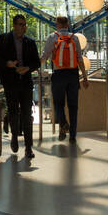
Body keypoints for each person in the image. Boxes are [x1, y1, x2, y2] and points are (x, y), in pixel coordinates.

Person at [0, 13, 41, 160]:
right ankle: (14, 135)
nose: (23, 27)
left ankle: (29, 147)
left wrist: (27, 68)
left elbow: (36, 62)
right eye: (20, 24)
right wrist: (8, 64)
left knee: (27, 114)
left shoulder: (30, 42)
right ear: (14, 25)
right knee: (13, 112)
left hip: (25, 82)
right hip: (10, 82)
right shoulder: (4, 39)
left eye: (25, 24)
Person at [42, 14, 89, 143]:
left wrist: (34, 67)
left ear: (57, 25)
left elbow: (44, 56)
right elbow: (80, 59)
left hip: (59, 75)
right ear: (67, 25)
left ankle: (63, 124)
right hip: (73, 75)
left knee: (58, 103)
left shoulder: (53, 37)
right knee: (73, 106)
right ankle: (73, 135)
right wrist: (85, 77)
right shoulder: (74, 38)